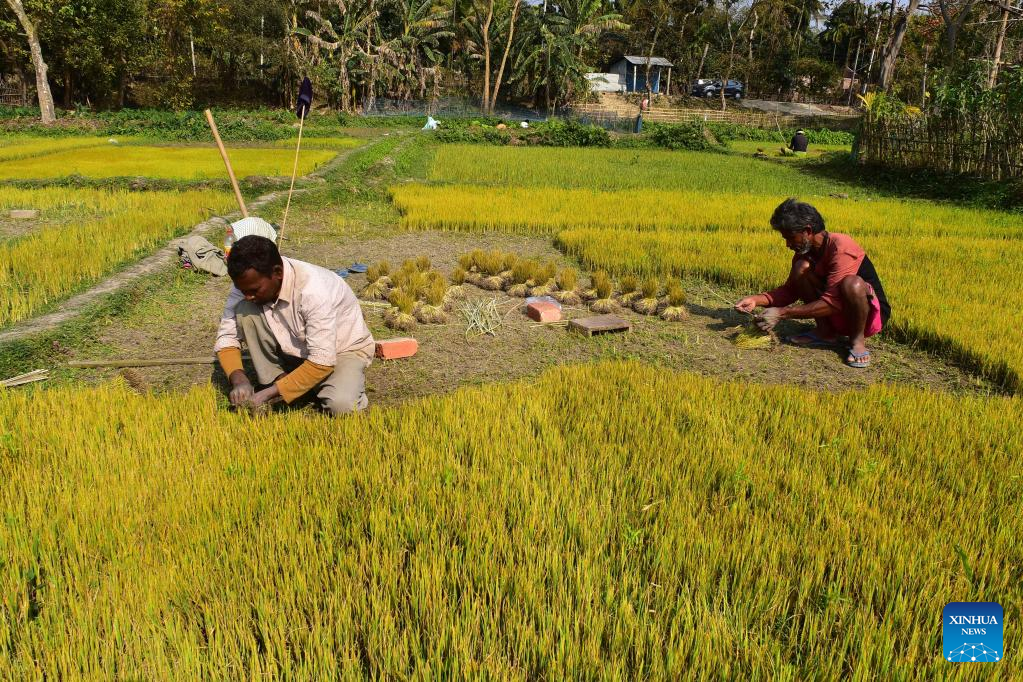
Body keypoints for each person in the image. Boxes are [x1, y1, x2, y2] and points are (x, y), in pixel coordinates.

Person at [214, 235, 375, 414]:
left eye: (254, 291)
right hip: (296, 350)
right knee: (245, 309)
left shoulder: (313, 289)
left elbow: (322, 360)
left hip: (341, 352)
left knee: (342, 406)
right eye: (242, 290)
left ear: (278, 273)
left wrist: (264, 396)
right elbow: (227, 336)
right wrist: (239, 379)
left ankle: (292, 387)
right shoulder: (248, 283)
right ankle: (280, 381)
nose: (248, 295)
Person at [734, 198, 890, 368]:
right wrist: (756, 300)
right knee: (801, 267)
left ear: (807, 230)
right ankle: (825, 333)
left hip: (866, 318)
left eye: (790, 237)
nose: (787, 244)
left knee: (852, 284)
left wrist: (782, 313)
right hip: (834, 313)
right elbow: (791, 290)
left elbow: (833, 302)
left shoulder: (842, 247)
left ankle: (857, 341)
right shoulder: (804, 254)